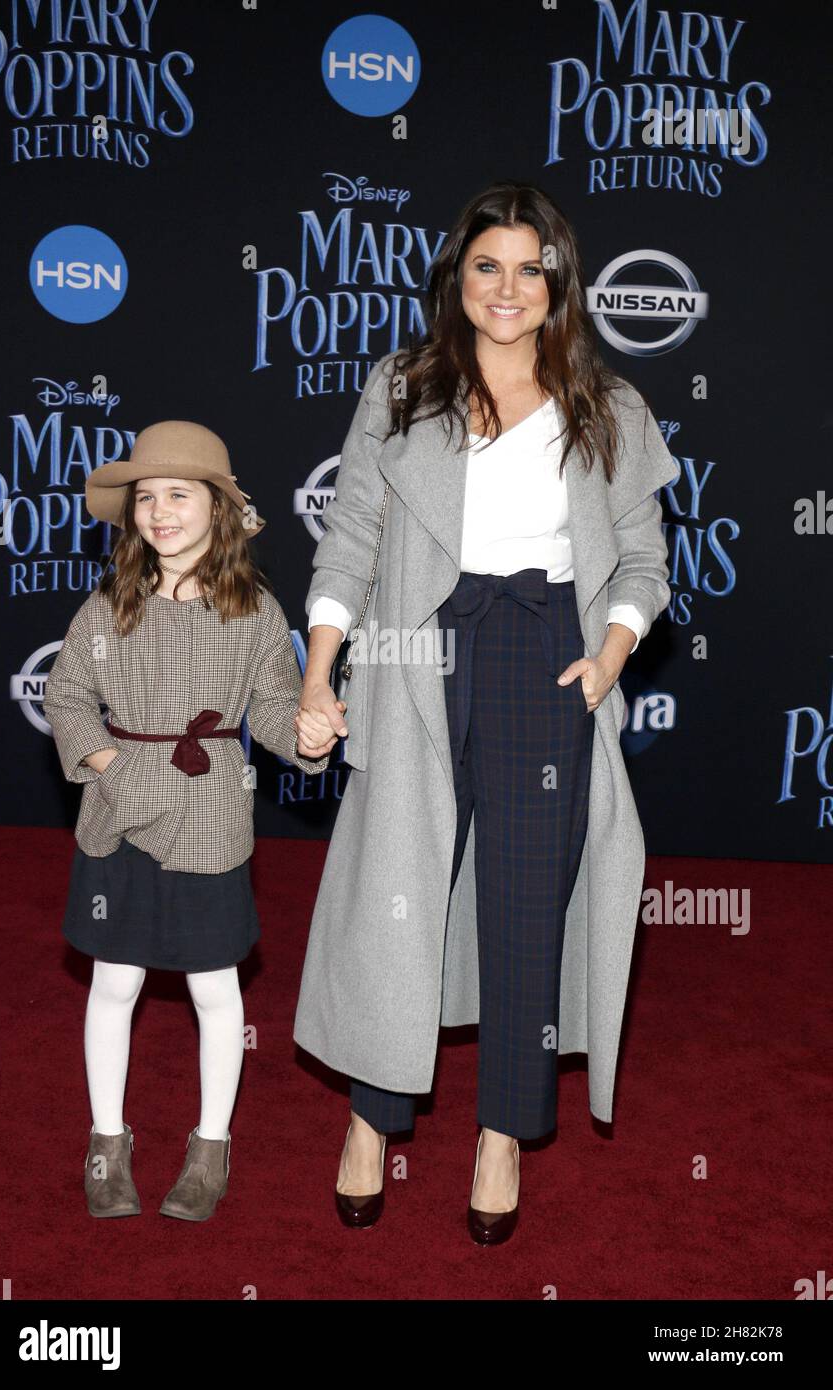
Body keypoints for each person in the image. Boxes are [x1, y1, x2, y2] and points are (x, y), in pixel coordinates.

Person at [292, 180, 680, 1243]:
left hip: (546, 657)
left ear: (558, 282)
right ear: (456, 278)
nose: (507, 289)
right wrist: (319, 673)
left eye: (529, 269)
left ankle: (502, 1132)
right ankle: (372, 1118)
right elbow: (352, 539)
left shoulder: (606, 405)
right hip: (415, 649)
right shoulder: (401, 388)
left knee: (524, 906)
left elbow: (644, 561)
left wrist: (609, 655)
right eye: (486, 266)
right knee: (397, 897)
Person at [43, 421, 329, 1222]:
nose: (160, 512)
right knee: (114, 982)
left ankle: (210, 1146)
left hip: (209, 815)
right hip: (119, 813)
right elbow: (65, 697)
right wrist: (114, 766)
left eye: (179, 494)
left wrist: (304, 734)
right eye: (146, 498)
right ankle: (107, 1140)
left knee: (213, 987)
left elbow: (273, 707)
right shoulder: (108, 607)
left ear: (219, 508)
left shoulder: (257, 611)